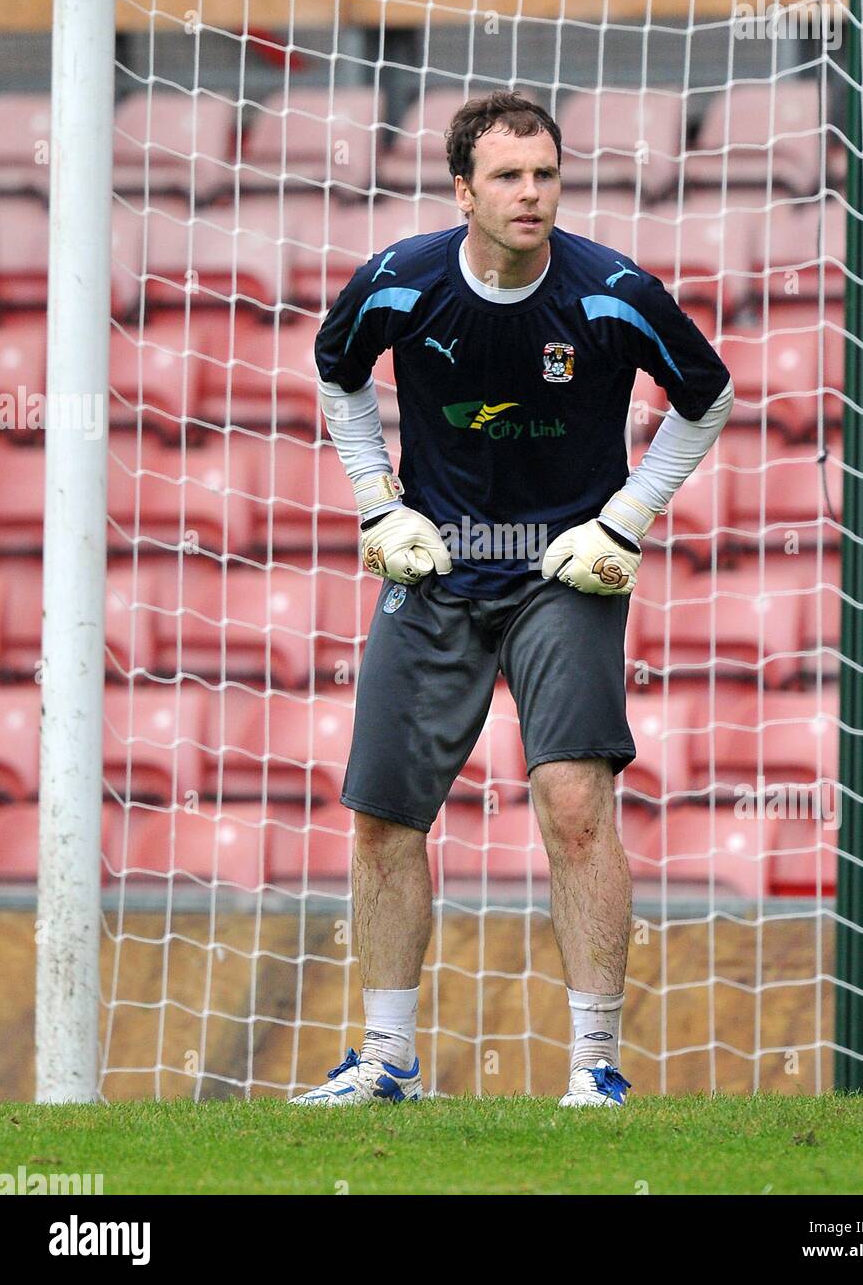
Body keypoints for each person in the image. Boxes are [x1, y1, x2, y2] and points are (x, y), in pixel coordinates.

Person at [292, 91, 733, 1108]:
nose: (529, 192)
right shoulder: (399, 284)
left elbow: (707, 396)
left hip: (562, 571)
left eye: (543, 172)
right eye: (506, 175)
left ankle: (594, 1069)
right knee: (381, 819)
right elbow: (336, 371)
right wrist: (375, 505)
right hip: (436, 566)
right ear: (463, 190)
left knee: (574, 804)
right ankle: (387, 1060)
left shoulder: (612, 293)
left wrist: (624, 521)